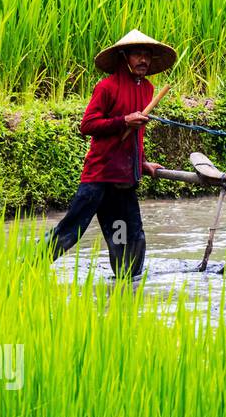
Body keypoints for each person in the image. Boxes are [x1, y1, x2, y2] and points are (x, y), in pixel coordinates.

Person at [45, 29, 178, 277]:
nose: (144, 60)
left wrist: (143, 163)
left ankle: (126, 285)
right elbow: (88, 125)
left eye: (147, 55)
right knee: (71, 229)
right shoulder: (107, 87)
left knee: (126, 235)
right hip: (99, 176)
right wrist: (123, 120)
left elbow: (137, 135)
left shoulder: (147, 89)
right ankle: (26, 268)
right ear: (123, 57)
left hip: (124, 180)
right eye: (137, 54)